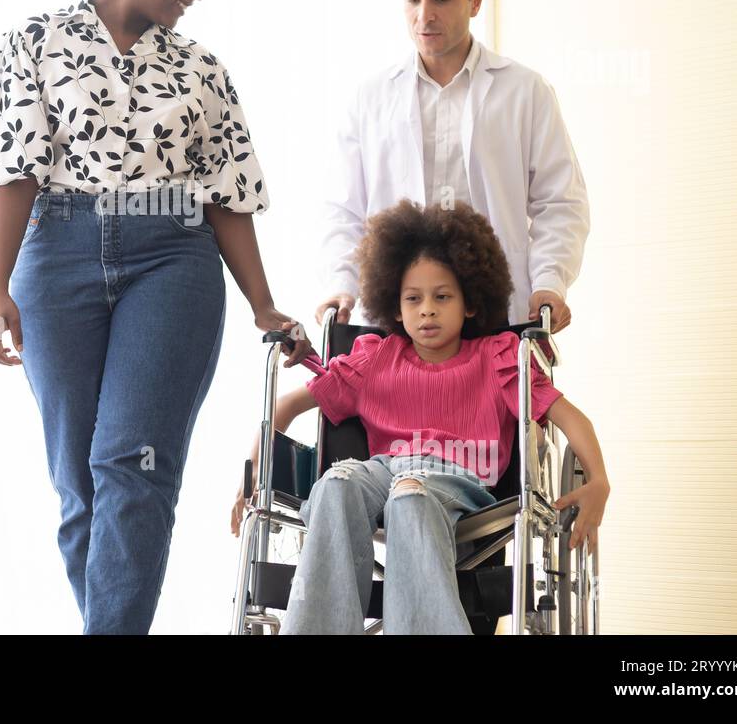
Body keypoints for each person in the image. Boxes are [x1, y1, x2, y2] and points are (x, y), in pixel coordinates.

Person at [0, 0, 311, 634]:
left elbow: (228, 192)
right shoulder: (34, 41)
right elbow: (14, 170)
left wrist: (262, 302)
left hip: (172, 259)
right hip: (57, 254)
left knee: (133, 468)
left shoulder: (202, 70)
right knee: (79, 486)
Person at [231, 199, 609, 634]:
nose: (427, 309)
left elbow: (570, 417)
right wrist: (253, 475)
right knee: (336, 484)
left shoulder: (498, 358)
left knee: (410, 494)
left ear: (469, 303)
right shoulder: (375, 359)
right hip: (383, 472)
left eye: (442, 296)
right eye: (414, 298)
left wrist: (598, 481)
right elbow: (286, 406)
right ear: (396, 307)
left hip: (460, 475)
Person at [316, 0, 589, 332]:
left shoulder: (525, 91)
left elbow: (560, 200)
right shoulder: (370, 97)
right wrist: (340, 284)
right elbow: (343, 208)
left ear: (476, 1)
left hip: (495, 308)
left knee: (498, 396)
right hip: (400, 308)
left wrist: (550, 281)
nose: (424, 16)